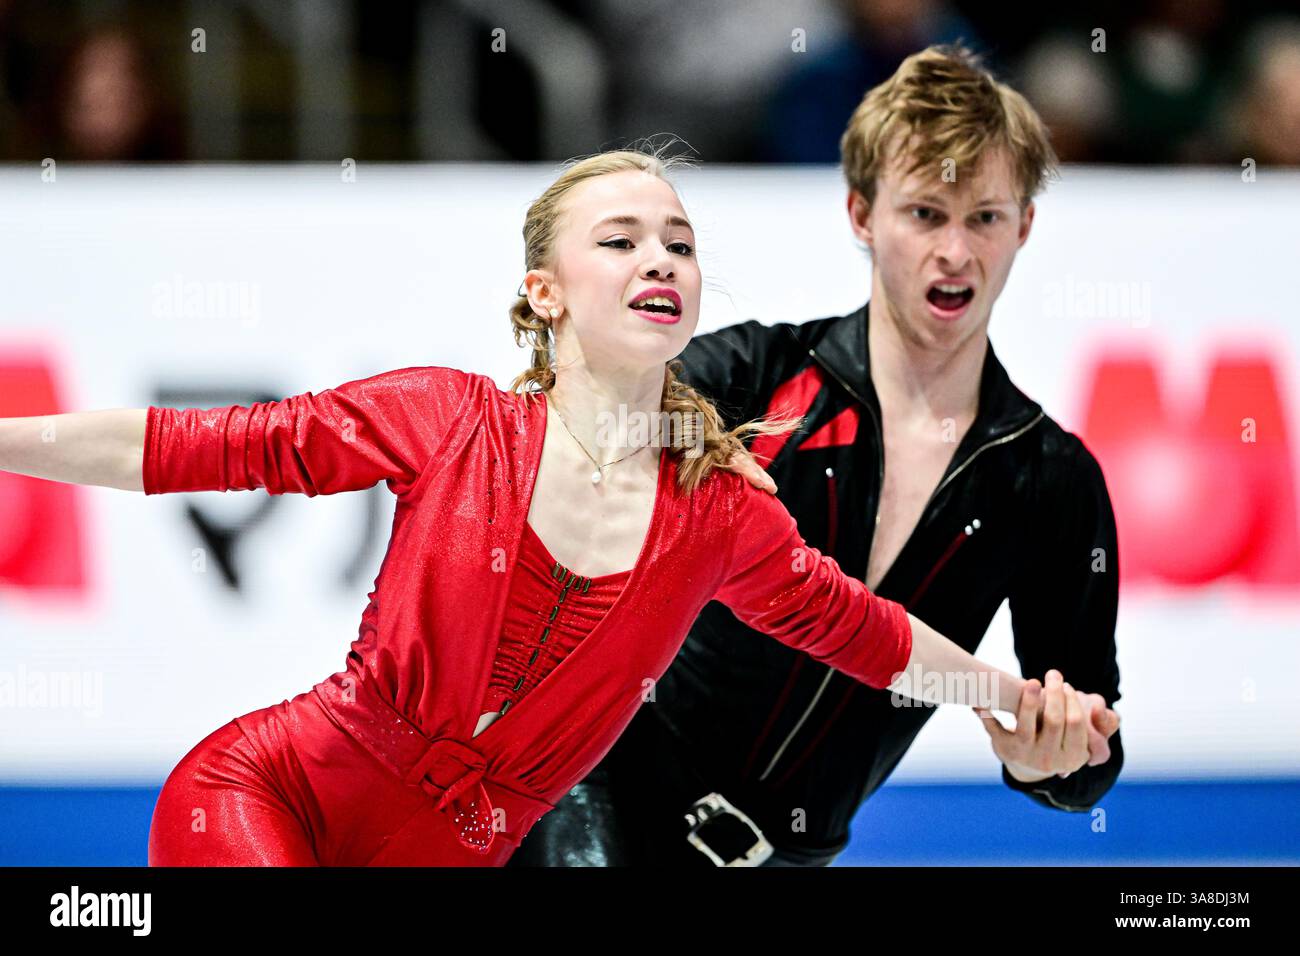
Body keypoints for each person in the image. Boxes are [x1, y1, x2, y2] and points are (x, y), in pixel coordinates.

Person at [0, 144, 1116, 867]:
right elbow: (196, 445)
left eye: (678, 241)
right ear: (546, 291)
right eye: (620, 239)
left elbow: (856, 629)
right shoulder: (449, 418)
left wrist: (1005, 697)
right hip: (267, 798)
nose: (660, 256)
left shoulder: (717, 508)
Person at [508, 45, 1127, 868]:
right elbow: (556, 435)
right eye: (924, 214)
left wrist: (1047, 761)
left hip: (784, 857)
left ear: (1025, 225)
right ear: (863, 216)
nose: (954, 251)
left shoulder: (1047, 477)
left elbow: (1092, 743)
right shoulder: (753, 380)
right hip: (595, 800)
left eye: (984, 216)